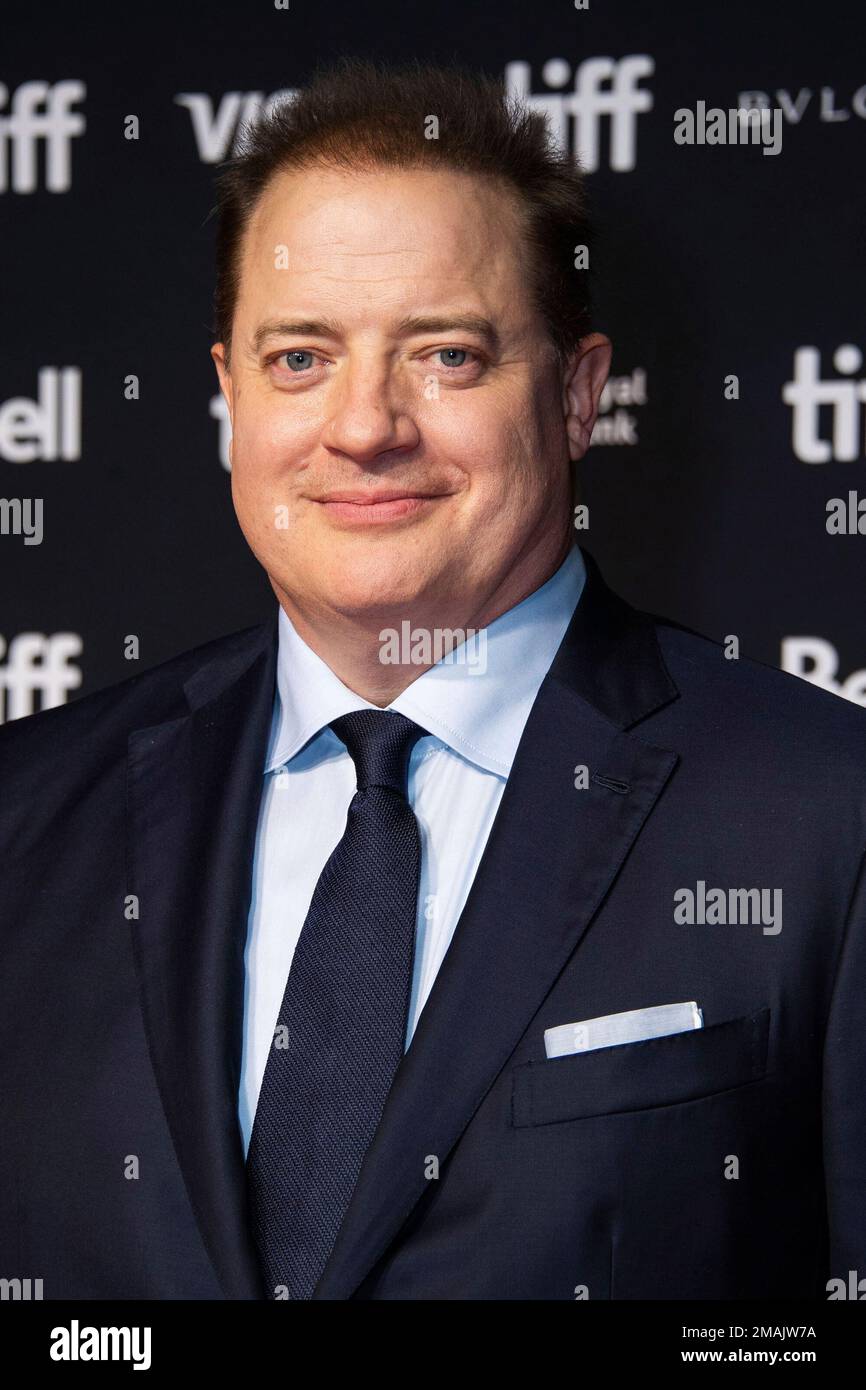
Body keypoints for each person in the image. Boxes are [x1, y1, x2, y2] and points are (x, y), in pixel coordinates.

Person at [1, 56, 864, 1302]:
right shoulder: (31, 815)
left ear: (575, 395)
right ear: (227, 398)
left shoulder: (823, 820)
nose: (364, 426)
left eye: (446, 356)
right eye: (300, 358)